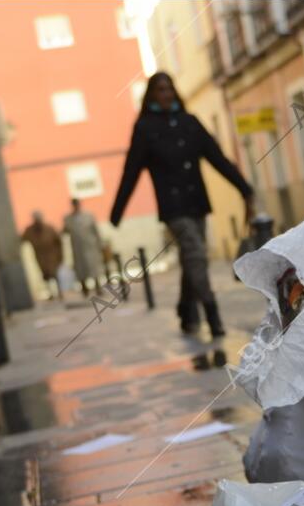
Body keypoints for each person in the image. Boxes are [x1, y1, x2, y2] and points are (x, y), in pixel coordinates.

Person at [109, 72, 255, 340]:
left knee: (191, 258)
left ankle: (186, 310)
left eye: (169, 89)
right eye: (160, 90)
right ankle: (212, 315)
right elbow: (131, 171)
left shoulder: (190, 122)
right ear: (152, 95)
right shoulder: (145, 128)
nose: (166, 94)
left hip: (197, 202)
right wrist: (117, 212)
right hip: (173, 208)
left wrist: (244, 188)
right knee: (196, 254)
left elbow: (217, 158)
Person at [62, 197, 104, 298]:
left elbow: (95, 230)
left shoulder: (88, 215)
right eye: (74, 204)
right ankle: (84, 288)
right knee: (80, 268)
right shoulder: (68, 218)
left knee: (93, 267)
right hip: (77, 248)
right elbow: (65, 231)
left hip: (90, 245)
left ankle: (98, 287)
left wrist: (100, 243)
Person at [22, 211, 64, 300]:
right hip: (40, 256)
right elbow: (23, 238)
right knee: (46, 275)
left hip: (52, 255)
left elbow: (58, 241)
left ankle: (59, 292)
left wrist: (60, 255)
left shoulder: (49, 228)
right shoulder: (30, 230)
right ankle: (51, 292)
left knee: (55, 274)